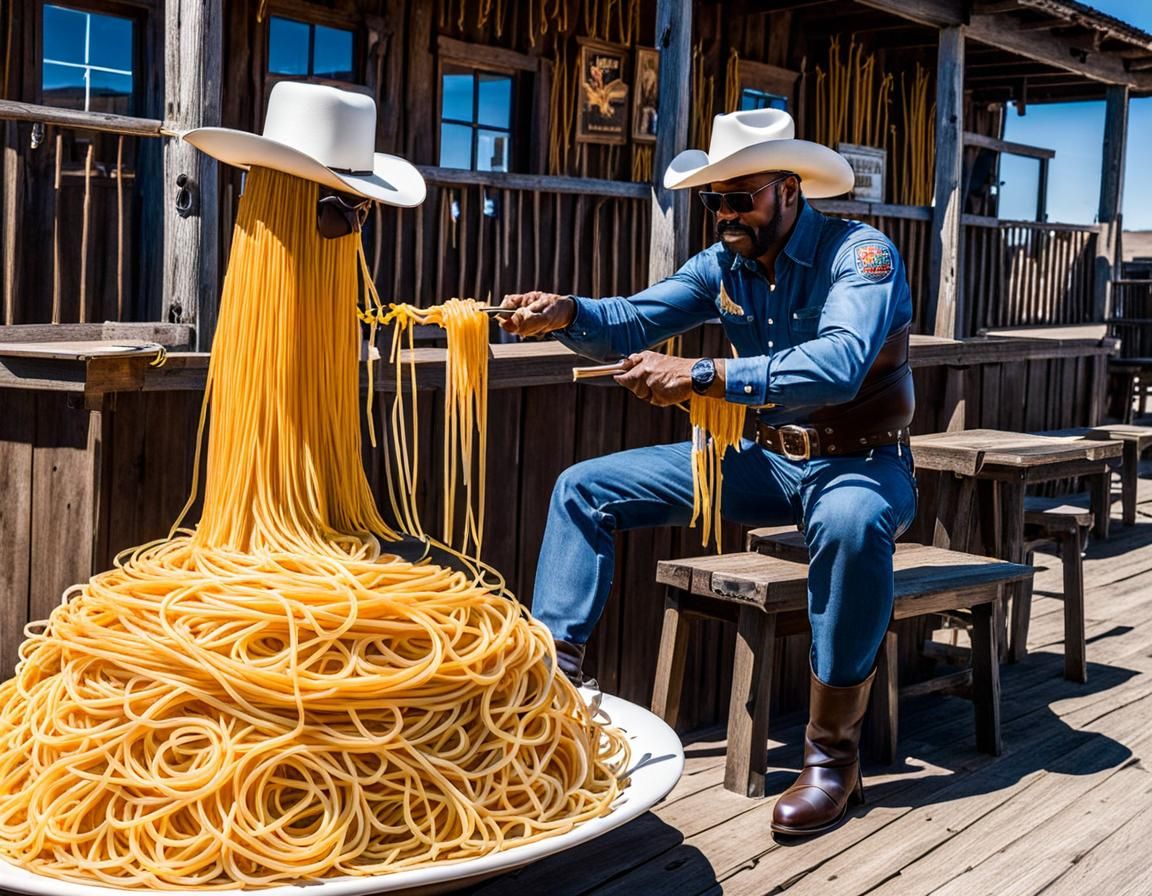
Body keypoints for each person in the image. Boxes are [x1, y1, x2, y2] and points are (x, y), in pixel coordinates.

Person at [499, 108, 917, 837]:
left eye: (740, 196)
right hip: (763, 460)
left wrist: (700, 372)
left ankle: (832, 759)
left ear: (789, 189)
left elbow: (841, 363)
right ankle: (549, 694)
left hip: (861, 461)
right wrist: (564, 312)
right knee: (584, 487)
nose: (725, 214)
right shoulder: (720, 263)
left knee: (850, 526)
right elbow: (631, 320)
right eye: (713, 200)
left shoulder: (862, 255)